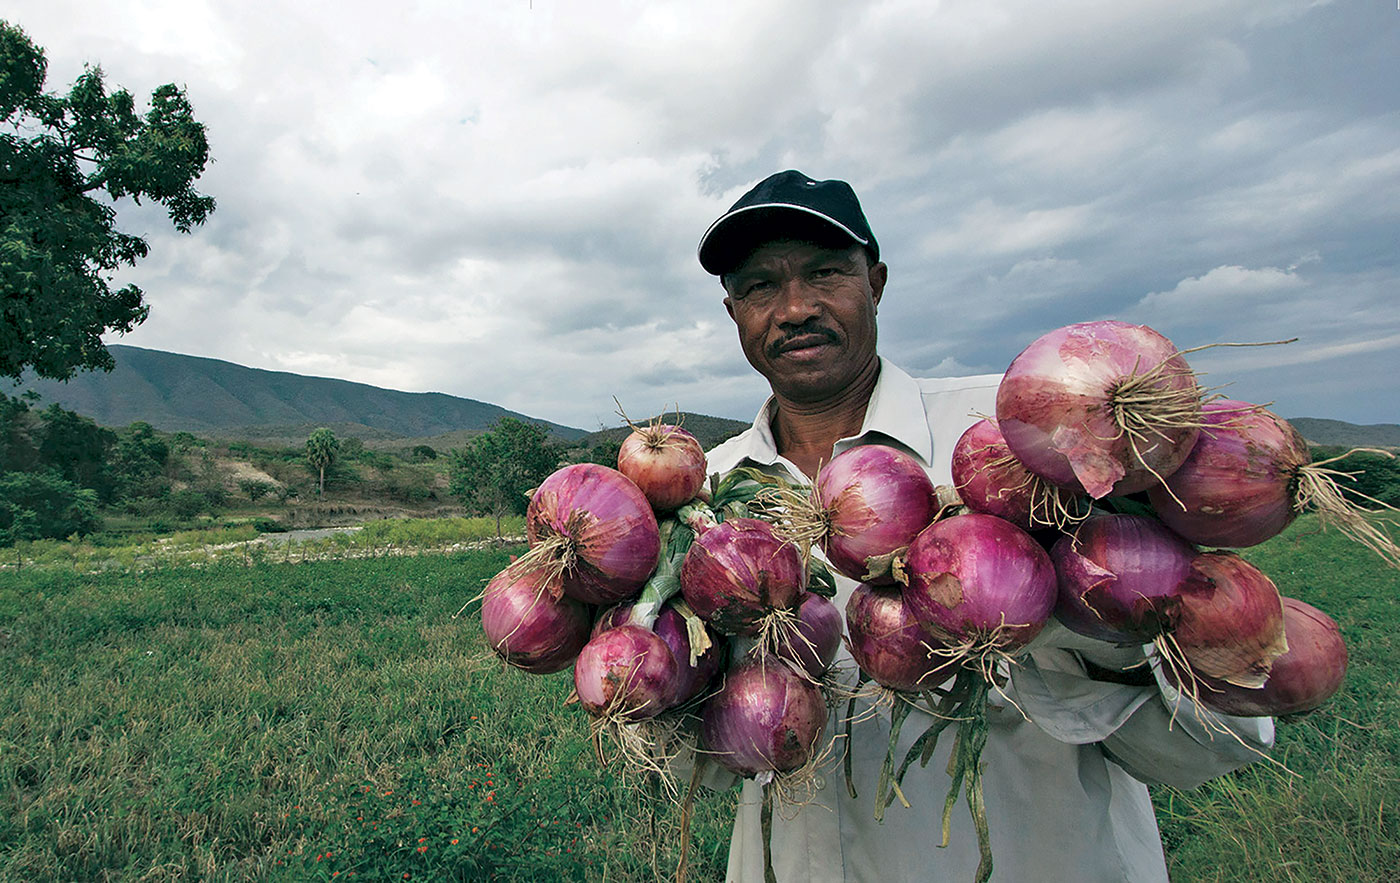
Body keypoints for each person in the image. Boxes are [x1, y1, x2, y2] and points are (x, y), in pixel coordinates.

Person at [694, 170, 1273, 882]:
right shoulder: (706, 494)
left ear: (875, 283)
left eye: (825, 273)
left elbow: (1219, 739)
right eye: (759, 286)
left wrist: (1070, 617)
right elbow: (719, 746)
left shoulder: (1025, 442)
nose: (795, 307)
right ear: (733, 311)